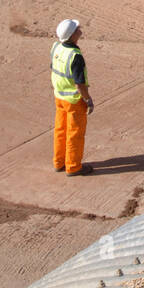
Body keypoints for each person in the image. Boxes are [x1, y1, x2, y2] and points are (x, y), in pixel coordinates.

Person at [51, 19, 94, 176]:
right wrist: (88, 99)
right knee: (75, 134)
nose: (79, 29)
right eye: (77, 28)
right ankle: (74, 166)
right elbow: (80, 84)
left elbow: (54, 69)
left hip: (59, 97)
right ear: (71, 35)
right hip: (74, 101)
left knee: (60, 130)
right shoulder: (75, 56)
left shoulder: (56, 47)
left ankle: (59, 162)